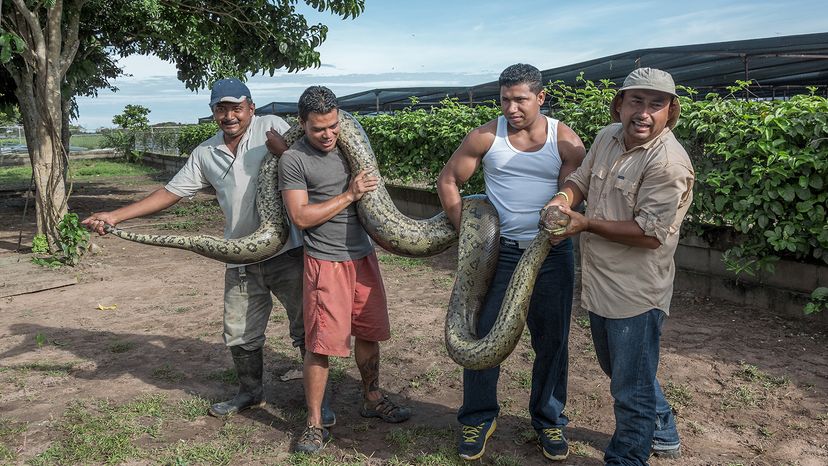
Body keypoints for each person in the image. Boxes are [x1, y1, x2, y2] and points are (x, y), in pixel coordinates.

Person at [82, 78, 334, 425]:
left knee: (306, 327)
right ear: (214, 112)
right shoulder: (205, 152)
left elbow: (317, 158)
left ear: (251, 107)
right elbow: (170, 193)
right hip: (240, 255)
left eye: (236, 108)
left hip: (287, 251)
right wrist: (115, 214)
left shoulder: (273, 127)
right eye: (221, 109)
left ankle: (317, 403)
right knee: (239, 331)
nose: (229, 115)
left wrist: (285, 153)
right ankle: (250, 392)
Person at [437, 63, 586, 462]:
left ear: (541, 97)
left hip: (551, 254)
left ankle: (549, 420)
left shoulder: (565, 140)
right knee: (483, 334)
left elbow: (575, 189)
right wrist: (469, 232)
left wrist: (562, 204)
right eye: (505, 99)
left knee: (552, 340)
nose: (511, 108)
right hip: (498, 255)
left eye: (520, 99)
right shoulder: (486, 136)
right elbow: (448, 180)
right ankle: (478, 417)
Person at [545, 67, 693, 465]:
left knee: (630, 389)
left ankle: (627, 457)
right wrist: (563, 199)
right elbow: (580, 179)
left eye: (655, 104)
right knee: (624, 371)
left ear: (670, 112)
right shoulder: (607, 137)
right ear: (620, 105)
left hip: (637, 291)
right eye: (636, 102)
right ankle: (663, 432)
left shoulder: (668, 163)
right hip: (601, 282)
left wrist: (585, 223)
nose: (643, 113)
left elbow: (649, 233)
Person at [279, 85, 411, 455]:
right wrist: (350, 195)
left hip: (363, 257)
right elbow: (301, 216)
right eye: (318, 128)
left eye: (334, 125)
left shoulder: (351, 149)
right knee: (320, 344)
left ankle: (372, 398)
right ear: (302, 123)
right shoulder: (293, 160)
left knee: (370, 332)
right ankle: (314, 423)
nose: (328, 134)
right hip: (325, 261)